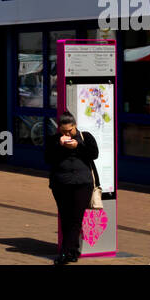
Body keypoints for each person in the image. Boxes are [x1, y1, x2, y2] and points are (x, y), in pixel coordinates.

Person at [45, 110, 100, 264]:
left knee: (76, 218)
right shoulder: (54, 140)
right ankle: (73, 251)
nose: (67, 134)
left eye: (70, 130)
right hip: (60, 183)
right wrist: (60, 145)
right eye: (63, 131)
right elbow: (48, 158)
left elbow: (94, 154)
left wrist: (77, 146)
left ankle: (64, 253)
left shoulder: (85, 137)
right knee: (65, 218)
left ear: (75, 126)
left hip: (83, 183)